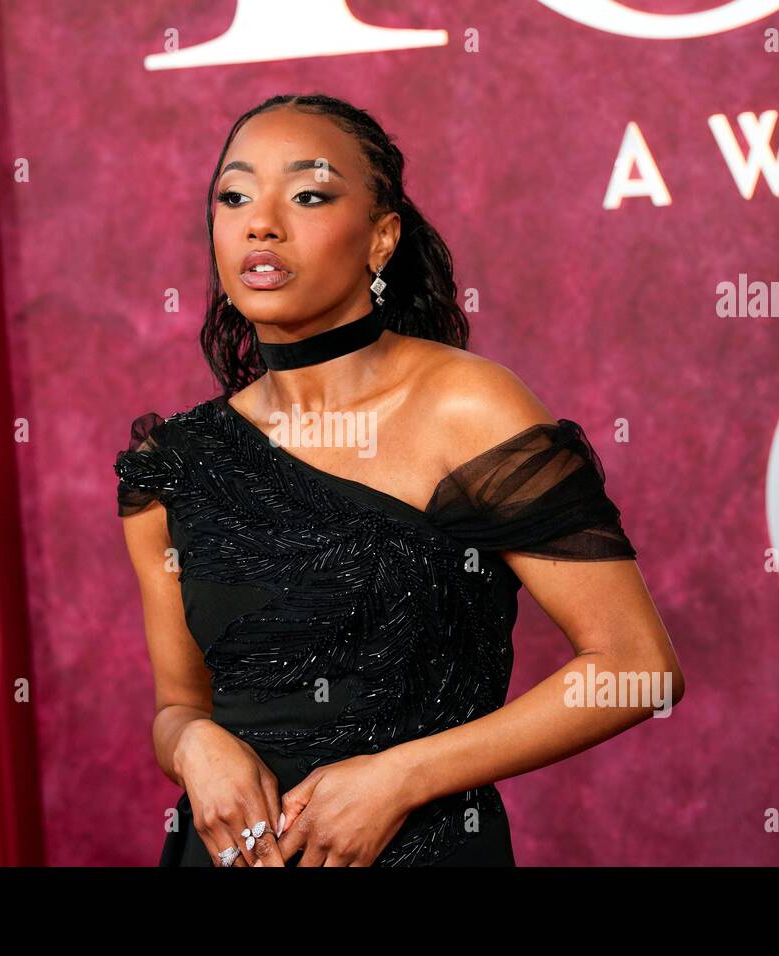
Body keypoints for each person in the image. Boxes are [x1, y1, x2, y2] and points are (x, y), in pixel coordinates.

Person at [115, 93, 683, 867]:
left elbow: (638, 669)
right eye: (234, 196)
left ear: (382, 239)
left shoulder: (467, 407)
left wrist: (398, 780)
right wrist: (194, 749)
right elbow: (178, 707)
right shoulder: (170, 465)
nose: (261, 222)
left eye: (309, 194)